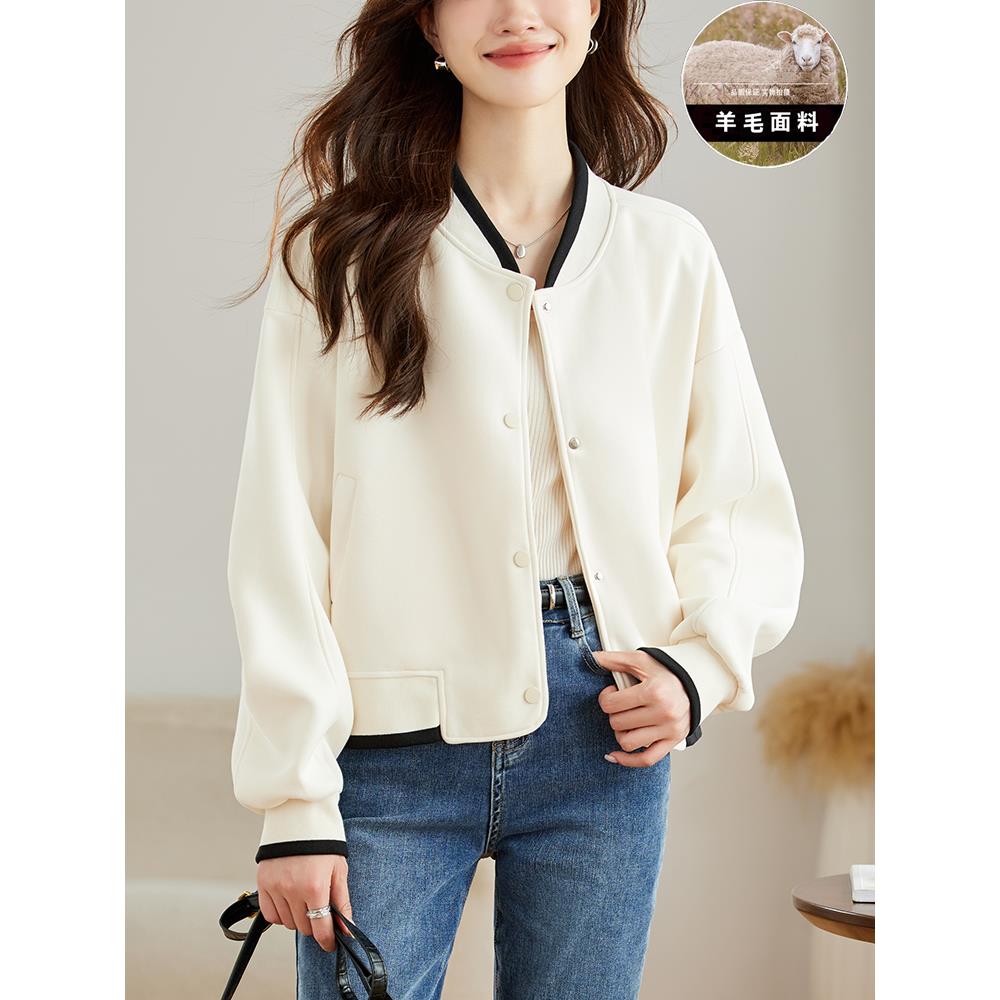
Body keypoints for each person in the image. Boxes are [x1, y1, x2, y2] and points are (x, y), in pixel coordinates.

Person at [224, 2, 805, 998]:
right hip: (387, 747)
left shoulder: (667, 253)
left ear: (596, 13)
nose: (517, 13)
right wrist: (295, 802)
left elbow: (735, 496)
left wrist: (699, 665)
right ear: (427, 25)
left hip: (603, 728)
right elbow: (282, 533)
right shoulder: (338, 254)